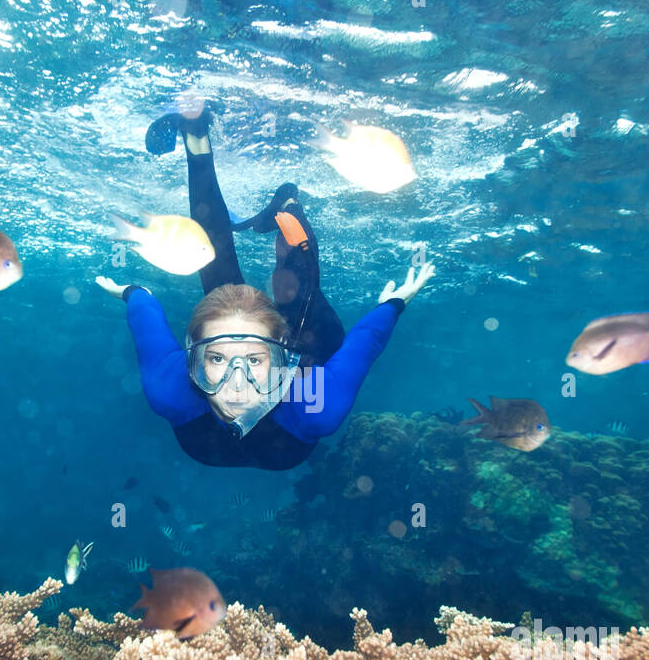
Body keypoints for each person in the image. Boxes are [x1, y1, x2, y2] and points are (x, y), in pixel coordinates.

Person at [96, 103, 434, 470]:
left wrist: (134, 292)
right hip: (299, 356)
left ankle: (200, 140)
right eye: (217, 359)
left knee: (216, 267)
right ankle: (288, 204)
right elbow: (362, 344)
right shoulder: (317, 404)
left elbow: (145, 316)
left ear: (281, 358)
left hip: (291, 366)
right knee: (303, 293)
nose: (236, 384)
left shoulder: (171, 391)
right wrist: (394, 303)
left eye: (254, 360)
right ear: (192, 358)